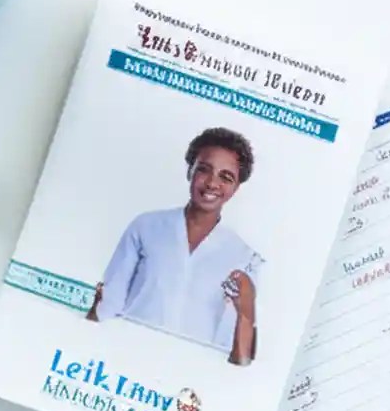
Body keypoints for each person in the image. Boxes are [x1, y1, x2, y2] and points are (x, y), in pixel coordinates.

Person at [86, 127, 261, 366]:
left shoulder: (243, 257)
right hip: (124, 356)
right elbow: (108, 304)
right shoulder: (146, 227)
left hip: (188, 371)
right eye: (204, 169)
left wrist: (247, 313)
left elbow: (237, 354)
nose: (212, 183)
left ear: (236, 187)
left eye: (226, 177)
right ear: (190, 170)